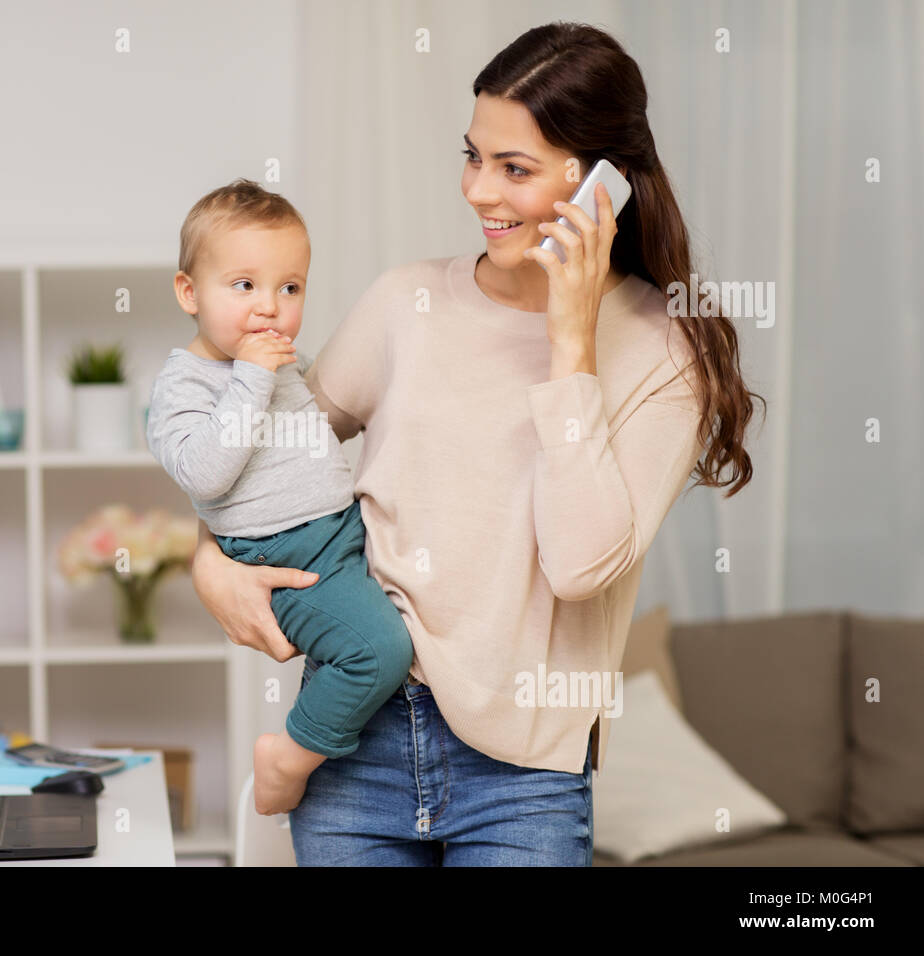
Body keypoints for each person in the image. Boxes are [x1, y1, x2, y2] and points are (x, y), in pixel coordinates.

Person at [190, 22, 765, 865]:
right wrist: (209, 561)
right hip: (356, 743)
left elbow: (579, 565)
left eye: (515, 169)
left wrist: (572, 348)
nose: (478, 191)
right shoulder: (404, 304)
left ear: (603, 182)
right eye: (474, 156)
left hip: (525, 776)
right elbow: (259, 457)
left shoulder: (667, 351)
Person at [145, 179, 414, 816]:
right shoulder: (183, 384)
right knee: (378, 653)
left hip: (340, 531)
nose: (269, 307)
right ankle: (288, 756)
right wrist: (253, 378)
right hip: (286, 552)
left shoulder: (280, 361)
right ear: (190, 293)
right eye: (243, 286)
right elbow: (205, 475)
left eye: (288, 288)